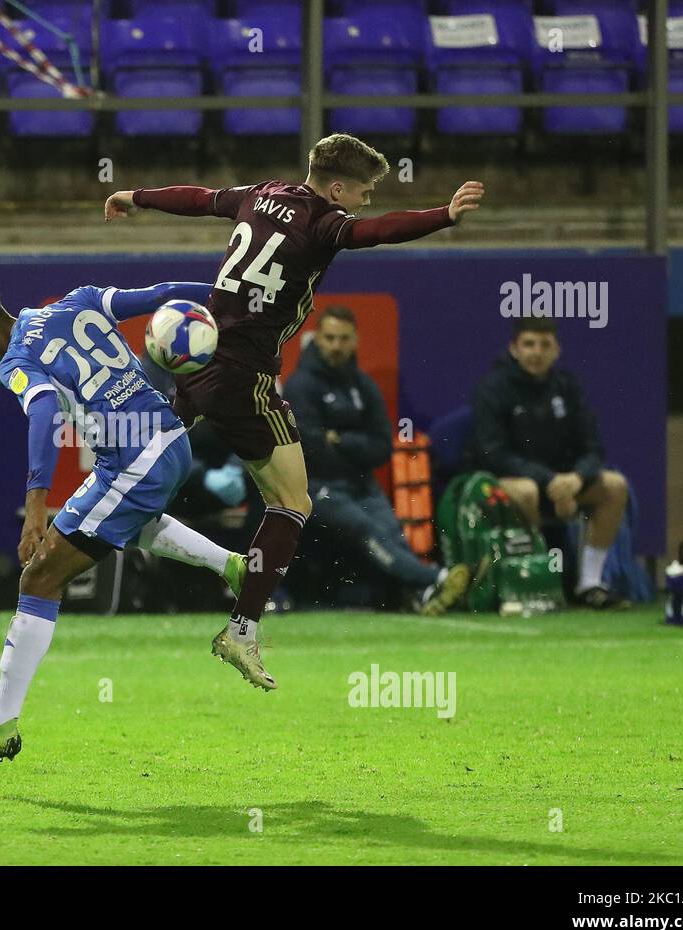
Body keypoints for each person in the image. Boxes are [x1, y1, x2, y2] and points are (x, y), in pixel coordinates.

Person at [105, 132, 485, 687]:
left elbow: (198, 197)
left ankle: (78, 532)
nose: (366, 201)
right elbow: (375, 233)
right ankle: (241, 630)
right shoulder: (324, 222)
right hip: (245, 376)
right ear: (335, 188)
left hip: (200, 354)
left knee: (139, 476)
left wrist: (136, 196)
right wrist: (443, 215)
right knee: (292, 503)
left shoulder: (259, 194)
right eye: (363, 190)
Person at [0, 279, 253, 766]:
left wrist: (36, 503)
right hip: (163, 442)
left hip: (138, 459)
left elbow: (43, 413)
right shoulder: (77, 300)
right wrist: (227, 294)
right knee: (121, 521)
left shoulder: (18, 359)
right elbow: (163, 293)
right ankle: (231, 566)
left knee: (40, 577)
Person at [284, 306, 472, 613]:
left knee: (391, 533)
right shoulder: (300, 385)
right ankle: (435, 577)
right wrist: (352, 446)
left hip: (362, 484)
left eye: (344, 339)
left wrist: (340, 440)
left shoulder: (364, 385)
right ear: (317, 339)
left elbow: (382, 446)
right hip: (317, 487)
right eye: (330, 338)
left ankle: (422, 594)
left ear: (356, 340)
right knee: (364, 529)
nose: (336, 346)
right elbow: (313, 448)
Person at [469, 315, 630, 609]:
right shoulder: (492, 389)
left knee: (615, 486)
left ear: (557, 350)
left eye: (545, 345)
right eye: (529, 344)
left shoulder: (567, 387)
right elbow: (494, 453)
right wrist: (550, 481)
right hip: (511, 483)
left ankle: (589, 584)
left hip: (563, 484)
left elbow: (593, 447)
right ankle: (535, 582)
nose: (537, 352)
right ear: (514, 349)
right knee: (527, 490)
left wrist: (576, 480)